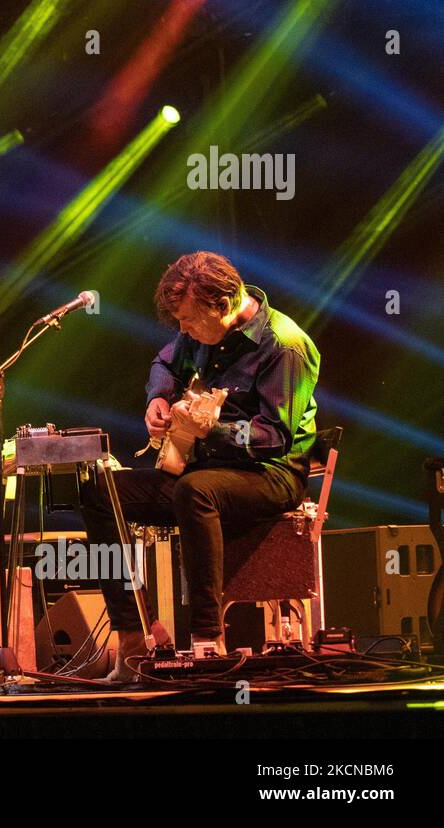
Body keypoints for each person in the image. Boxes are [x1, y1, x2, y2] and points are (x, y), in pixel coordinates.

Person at [79, 251, 319, 680]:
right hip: (208, 471)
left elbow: (274, 437)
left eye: (188, 320)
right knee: (99, 489)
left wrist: (210, 432)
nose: (182, 330)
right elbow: (164, 362)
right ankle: (135, 633)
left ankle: (208, 638)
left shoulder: (285, 345)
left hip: (273, 475)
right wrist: (158, 396)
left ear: (222, 306)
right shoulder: (201, 332)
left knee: (195, 490)